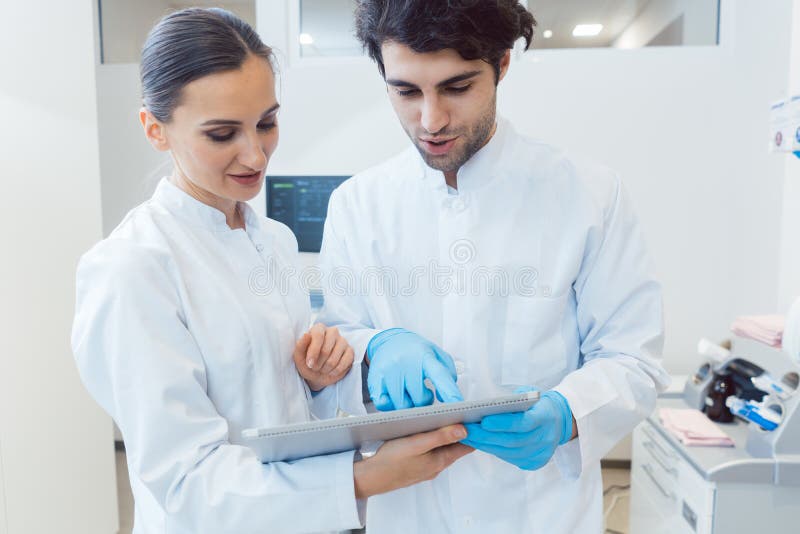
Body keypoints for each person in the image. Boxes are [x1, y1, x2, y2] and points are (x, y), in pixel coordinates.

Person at [70, 8, 471, 534]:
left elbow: (281, 414)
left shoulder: (273, 242)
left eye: (267, 123)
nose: (255, 154)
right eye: (221, 134)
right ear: (155, 129)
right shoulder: (131, 269)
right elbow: (189, 482)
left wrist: (319, 379)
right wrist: (362, 480)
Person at [315, 1, 671, 532]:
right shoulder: (356, 205)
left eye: (457, 87)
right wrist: (374, 350)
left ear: (502, 64)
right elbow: (338, 346)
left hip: (541, 512)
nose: (430, 120)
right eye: (406, 91)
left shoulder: (589, 195)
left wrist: (566, 414)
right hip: (410, 512)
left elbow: (632, 359)